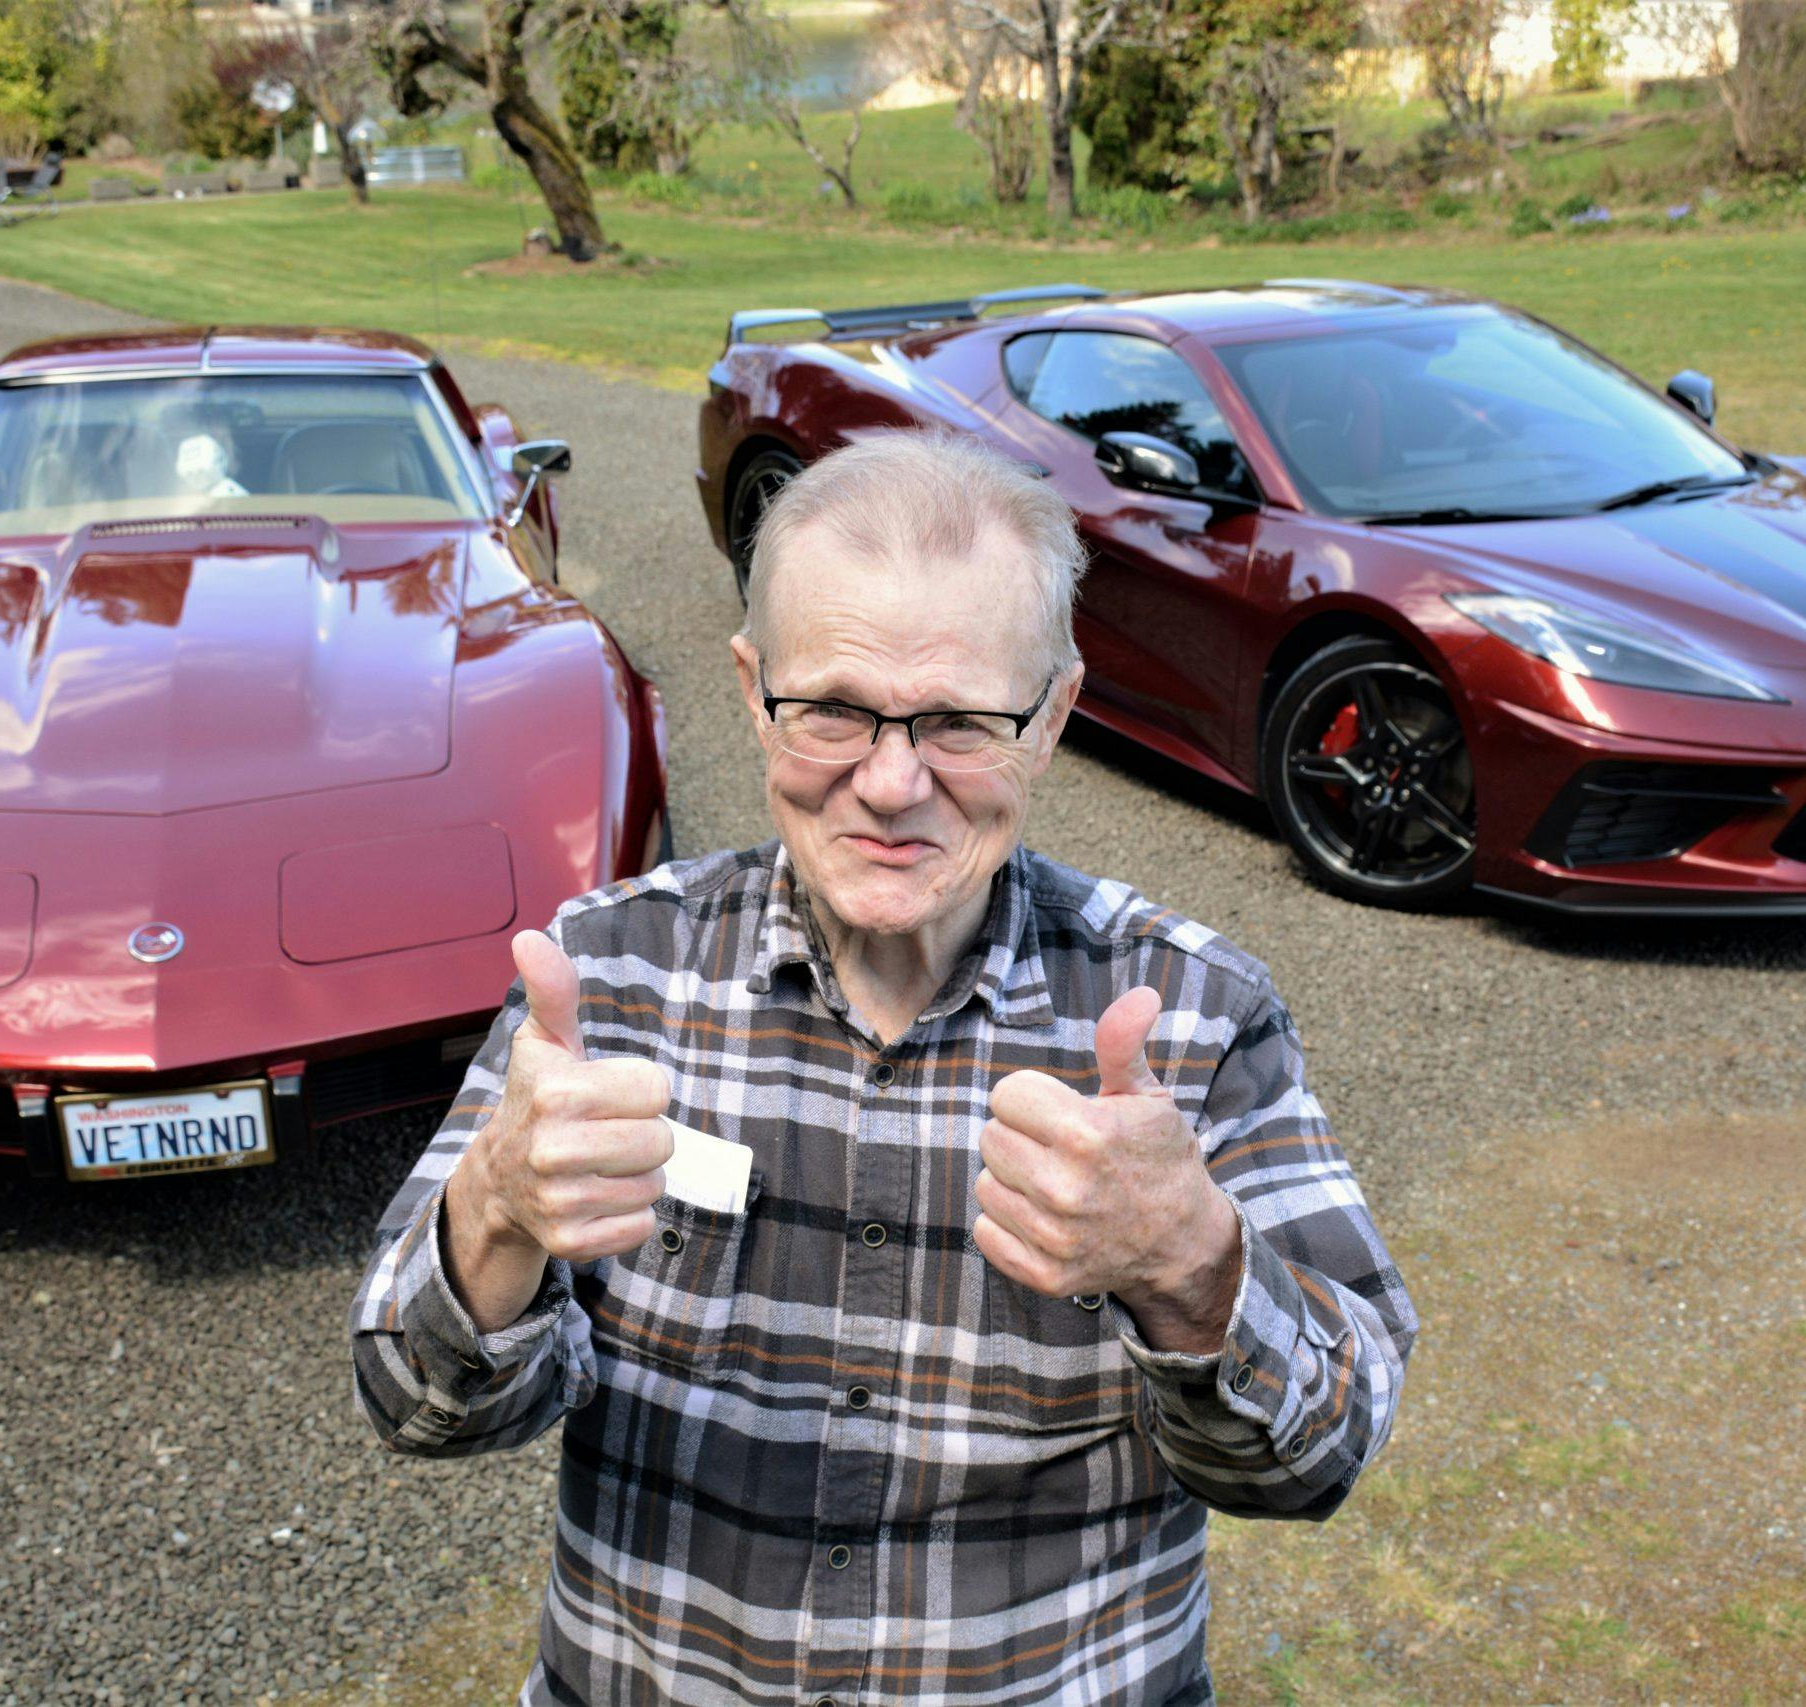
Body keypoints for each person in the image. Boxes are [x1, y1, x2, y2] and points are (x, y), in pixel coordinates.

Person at [350, 428, 1417, 1705]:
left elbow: (1320, 1460)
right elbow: (415, 1404)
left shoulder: (1192, 1017)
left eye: (961, 721)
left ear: (1054, 714)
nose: (892, 783)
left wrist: (1190, 1268)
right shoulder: (607, 979)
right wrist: (496, 1218)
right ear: (751, 690)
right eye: (833, 710)